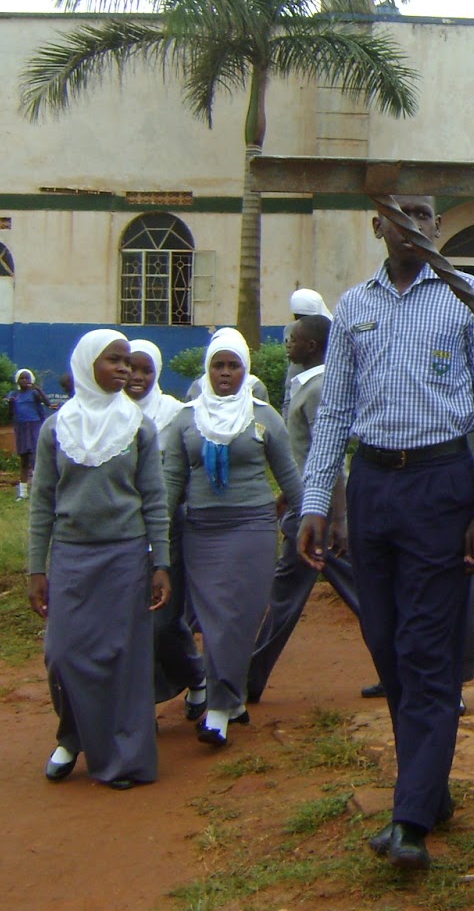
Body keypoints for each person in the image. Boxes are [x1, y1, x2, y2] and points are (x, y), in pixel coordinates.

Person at [296, 194, 474, 872]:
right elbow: (334, 413)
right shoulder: (354, 306)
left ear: (439, 225)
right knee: (385, 644)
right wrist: (318, 500)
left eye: (425, 212)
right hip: (373, 486)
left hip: (442, 484)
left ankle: (409, 821)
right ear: (377, 225)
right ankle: (430, 790)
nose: (412, 222)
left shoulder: (470, 298)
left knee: (425, 653)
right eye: (398, 212)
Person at [27, 329, 171, 789]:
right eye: (114, 360)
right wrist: (36, 568)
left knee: (122, 660)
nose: (125, 369)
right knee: (61, 654)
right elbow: (42, 502)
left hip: (126, 556)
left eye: (128, 361)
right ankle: (72, 735)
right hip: (71, 556)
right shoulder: (55, 428)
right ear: (88, 364)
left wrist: (161, 563)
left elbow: (154, 499)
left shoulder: (139, 428)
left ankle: (124, 759)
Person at [161, 328, 303, 748]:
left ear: (246, 368)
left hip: (253, 529)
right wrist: (153, 536)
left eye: (233, 365)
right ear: (207, 369)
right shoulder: (186, 419)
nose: (225, 373)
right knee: (216, 619)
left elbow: (291, 480)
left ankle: (218, 710)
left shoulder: (264, 417)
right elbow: (171, 483)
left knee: (236, 619)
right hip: (201, 532)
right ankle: (231, 701)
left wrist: (314, 523)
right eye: (218, 365)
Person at [244, 313, 363, 705]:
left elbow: (331, 460)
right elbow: (303, 456)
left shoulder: (317, 389)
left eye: (293, 339)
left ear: (311, 346)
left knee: (286, 595)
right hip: (309, 506)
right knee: (359, 594)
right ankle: (249, 678)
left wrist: (337, 518)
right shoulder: (307, 386)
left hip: (318, 513)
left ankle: (247, 680)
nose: (288, 345)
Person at [124, 341, 206, 716]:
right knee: (130, 624)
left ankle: (195, 675)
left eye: (145, 370)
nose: (137, 378)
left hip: (167, 529)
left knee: (164, 620)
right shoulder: (108, 412)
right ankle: (140, 706)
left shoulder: (174, 413)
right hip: (121, 534)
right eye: (130, 368)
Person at [5, 368, 51, 499]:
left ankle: (38, 490)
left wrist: (38, 389)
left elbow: (47, 404)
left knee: (34, 457)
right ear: (17, 381)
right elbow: (10, 415)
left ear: (31, 380)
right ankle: (23, 492)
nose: (24, 380)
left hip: (34, 425)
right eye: (22, 378)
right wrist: (10, 404)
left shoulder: (34, 394)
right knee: (24, 459)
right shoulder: (14, 394)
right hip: (21, 427)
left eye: (27, 378)